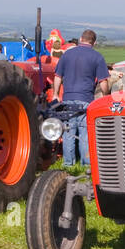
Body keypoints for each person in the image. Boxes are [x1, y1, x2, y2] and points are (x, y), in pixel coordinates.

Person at [52, 30, 110, 168]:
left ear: (80, 39)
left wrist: (55, 94)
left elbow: (58, 76)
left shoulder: (67, 54)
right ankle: (86, 166)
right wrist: (106, 97)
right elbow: (103, 82)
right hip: (85, 99)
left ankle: (68, 165)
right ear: (94, 42)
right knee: (85, 133)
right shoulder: (97, 57)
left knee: (68, 133)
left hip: (67, 99)